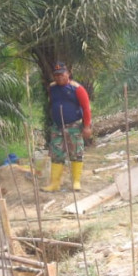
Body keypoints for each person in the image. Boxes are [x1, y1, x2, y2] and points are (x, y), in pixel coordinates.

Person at [42, 62, 92, 192]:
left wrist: (87, 126)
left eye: (62, 74)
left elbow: (86, 108)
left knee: (76, 153)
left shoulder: (77, 88)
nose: (59, 77)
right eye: (56, 75)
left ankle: (76, 182)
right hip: (57, 127)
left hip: (74, 126)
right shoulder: (52, 88)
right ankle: (55, 183)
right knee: (56, 154)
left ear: (68, 74)